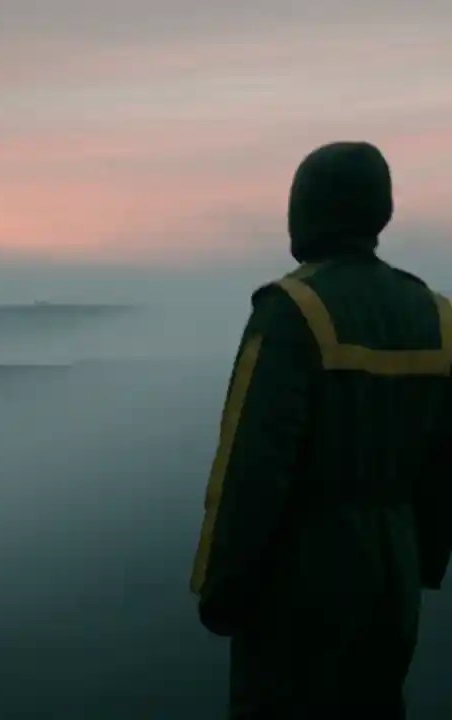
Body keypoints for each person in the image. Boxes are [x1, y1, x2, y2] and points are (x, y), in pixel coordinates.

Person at [188, 140, 452, 718]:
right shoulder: (437, 314)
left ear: (307, 209)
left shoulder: (292, 310)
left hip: (303, 580)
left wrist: (222, 587)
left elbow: (250, 465)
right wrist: (422, 558)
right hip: (394, 578)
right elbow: (444, 463)